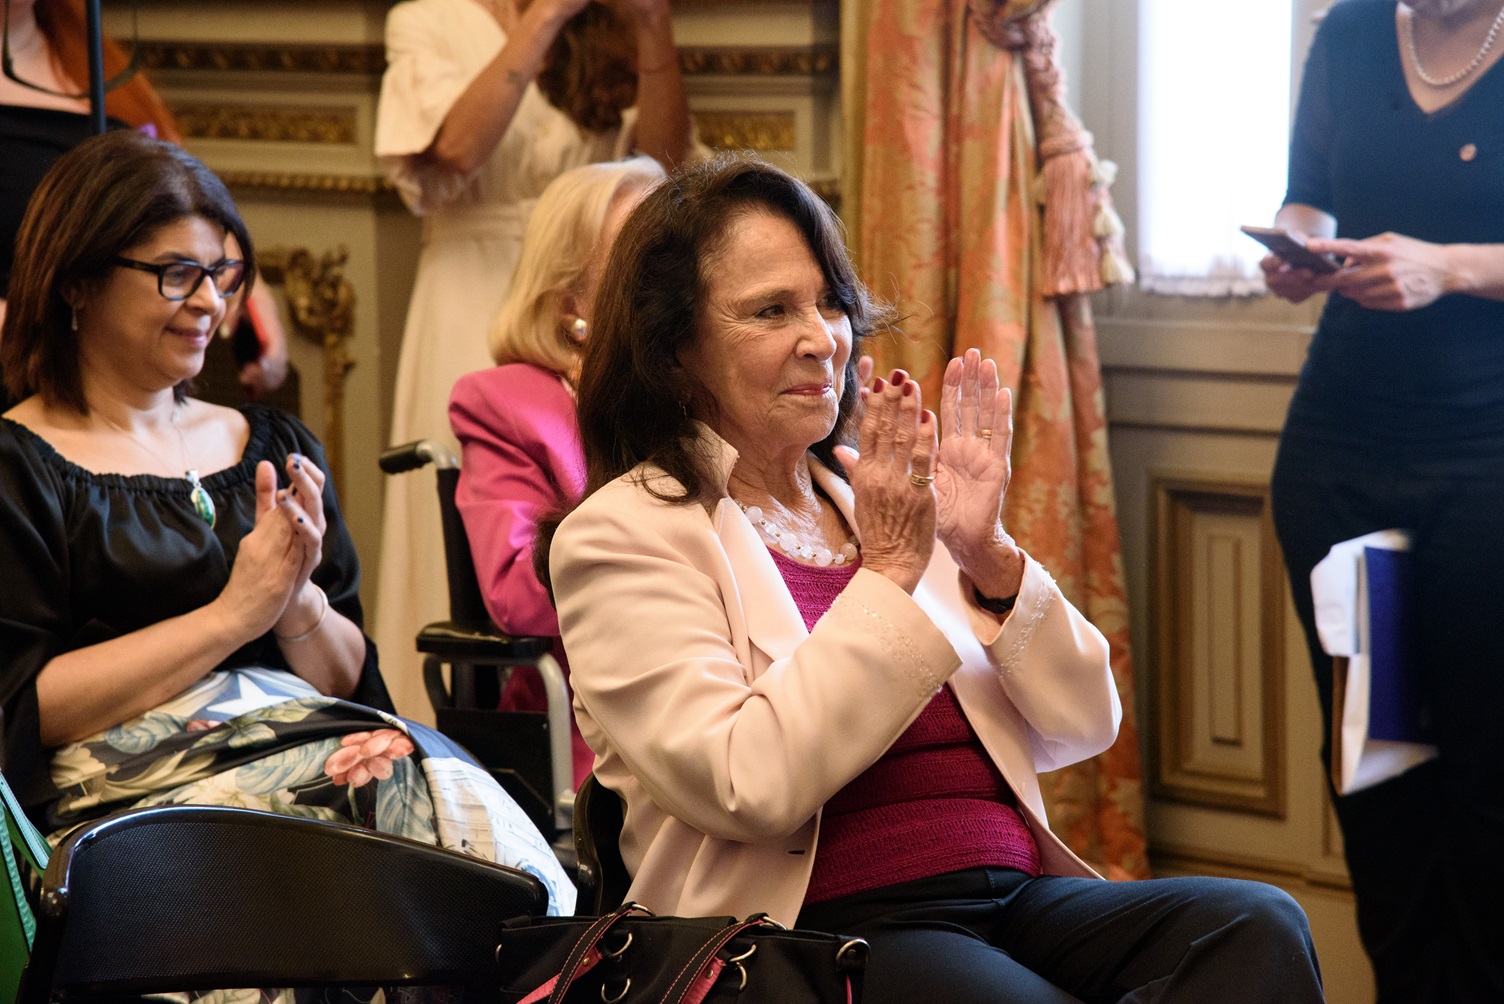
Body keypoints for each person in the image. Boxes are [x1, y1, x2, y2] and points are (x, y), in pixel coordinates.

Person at [543, 157, 1322, 1002]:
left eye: (830, 302)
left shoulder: (873, 493)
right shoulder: (623, 534)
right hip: (823, 930)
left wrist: (987, 553)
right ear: (672, 351)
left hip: (1013, 895)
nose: (823, 338)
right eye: (771, 311)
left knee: (1257, 926)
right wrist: (887, 573)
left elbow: (1085, 723)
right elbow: (747, 786)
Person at [0, 130, 574, 915]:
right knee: (385, 793)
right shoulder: (20, 465)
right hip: (118, 796)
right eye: (178, 275)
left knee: (431, 782)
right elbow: (24, 706)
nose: (211, 303)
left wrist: (297, 601)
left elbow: (347, 680)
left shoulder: (273, 446)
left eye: (224, 274)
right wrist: (234, 615)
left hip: (303, 745)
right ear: (77, 283)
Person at [1264, 0, 1504, 999]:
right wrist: (1297, 247)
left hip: (1485, 458)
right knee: (1377, 767)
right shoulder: (1353, 32)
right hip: (1341, 462)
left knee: (1489, 779)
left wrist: (1444, 267)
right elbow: (1310, 195)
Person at [372, 0, 693, 719]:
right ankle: (460, 724)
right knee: (461, 537)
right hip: (482, 283)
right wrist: (545, 14)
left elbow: (668, 182)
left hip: (609, 275)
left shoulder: (603, 26)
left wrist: (650, 24)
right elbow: (456, 149)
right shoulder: (429, 17)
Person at [448, 156, 664, 788]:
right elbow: (517, 595)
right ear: (574, 301)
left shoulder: (715, 387)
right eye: (641, 256)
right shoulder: (505, 404)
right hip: (597, 717)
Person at [0, 0, 286, 396]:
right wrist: (34, 328)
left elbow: (176, 198)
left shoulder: (88, 55)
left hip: (112, 382)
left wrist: (244, 282)